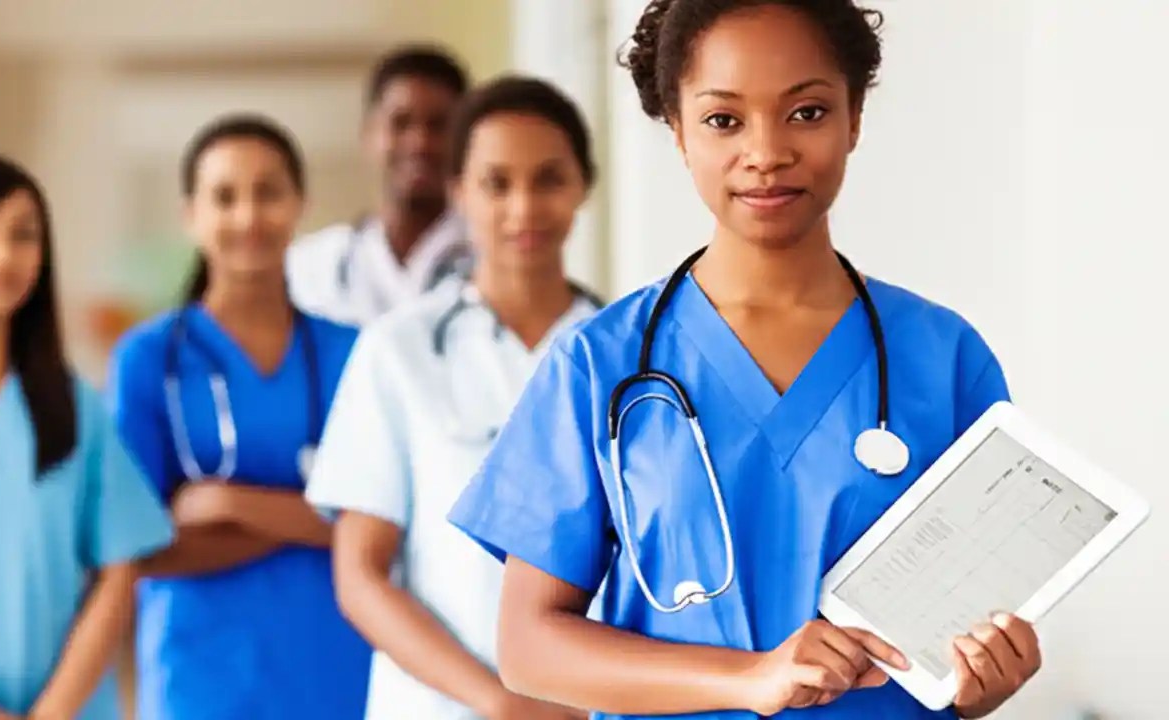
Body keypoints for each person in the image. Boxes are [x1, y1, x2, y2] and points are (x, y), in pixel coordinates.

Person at [447, 2, 1043, 719]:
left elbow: (960, 639)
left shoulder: (944, 361)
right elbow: (529, 647)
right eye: (723, 120)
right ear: (677, 132)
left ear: (854, 117)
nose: (766, 152)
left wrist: (984, 686)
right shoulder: (598, 364)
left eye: (807, 112)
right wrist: (748, 678)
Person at [306, 76, 602, 720]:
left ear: (584, 185)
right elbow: (360, 576)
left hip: (591, 706)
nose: (523, 209)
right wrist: (496, 699)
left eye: (548, 179)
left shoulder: (626, 355)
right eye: (497, 183)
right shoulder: (398, 349)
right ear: (458, 192)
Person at [0, 153, 173, 720]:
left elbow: (119, 572)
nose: (3, 254)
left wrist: (53, 712)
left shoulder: (73, 407)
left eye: (23, 235)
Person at [109, 115, 371, 720]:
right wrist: (320, 516)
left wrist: (228, 504)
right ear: (190, 215)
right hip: (199, 677)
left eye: (268, 192)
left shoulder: (356, 353)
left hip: (332, 668)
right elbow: (140, 546)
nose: (249, 217)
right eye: (225, 197)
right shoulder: (148, 359)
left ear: (299, 203)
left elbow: (382, 522)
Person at [286, 45, 472, 326]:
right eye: (401, 123)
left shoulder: (494, 263)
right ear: (369, 134)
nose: (419, 143)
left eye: (438, 125)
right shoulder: (312, 268)